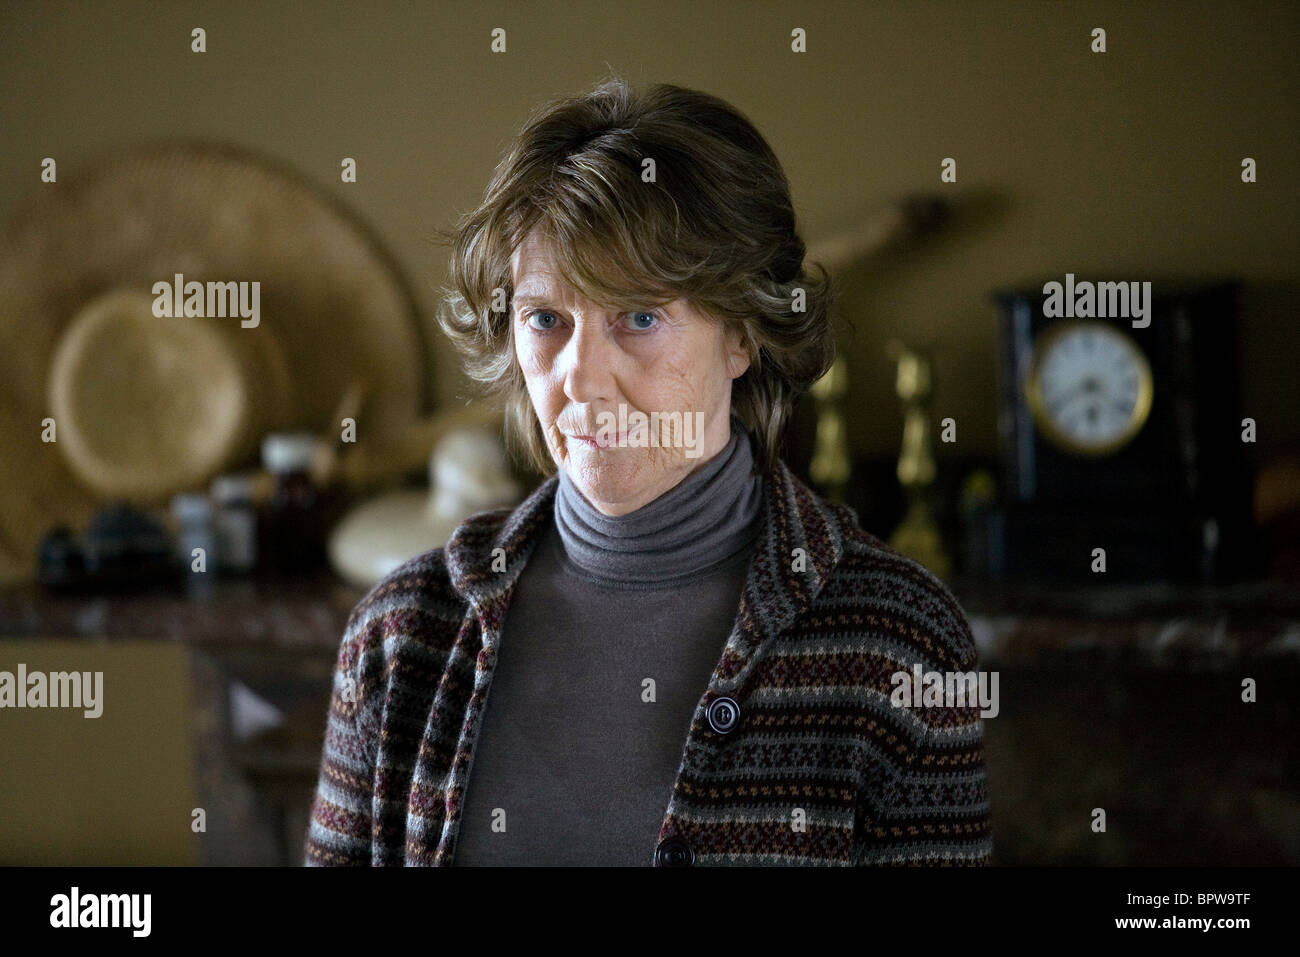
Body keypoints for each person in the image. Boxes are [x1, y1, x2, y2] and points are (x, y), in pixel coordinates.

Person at [304, 75, 992, 866]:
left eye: (639, 316)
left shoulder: (898, 640)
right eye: (546, 320)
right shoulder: (399, 634)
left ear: (743, 335)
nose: (583, 376)